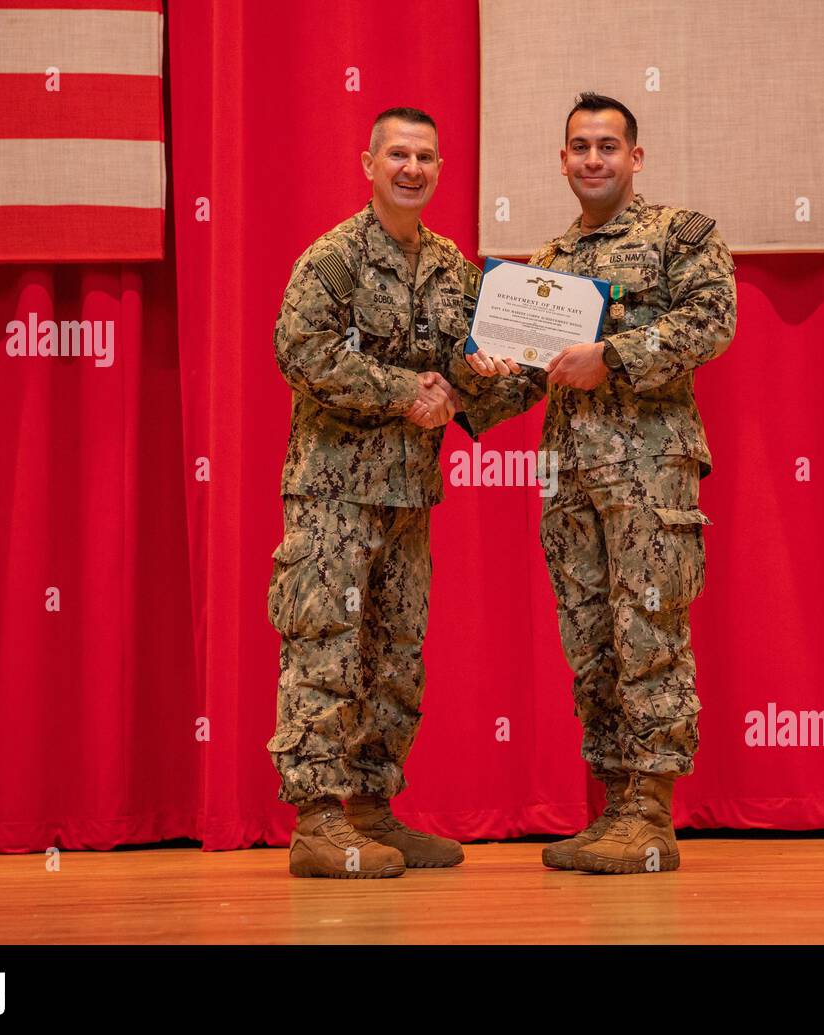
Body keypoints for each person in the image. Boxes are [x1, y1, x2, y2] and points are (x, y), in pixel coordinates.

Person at [456, 92, 738, 874]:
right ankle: (615, 806)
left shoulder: (682, 235)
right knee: (593, 644)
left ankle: (652, 815)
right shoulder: (544, 266)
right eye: (579, 146)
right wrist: (476, 376)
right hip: (571, 477)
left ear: (634, 157)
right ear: (562, 159)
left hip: (650, 471)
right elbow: (525, 377)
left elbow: (712, 320)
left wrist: (610, 356)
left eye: (607, 146)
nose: (592, 159)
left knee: (649, 637)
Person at [268, 106, 516, 878]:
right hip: (333, 493)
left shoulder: (451, 268)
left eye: (427, 158)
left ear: (440, 170)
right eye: (399, 155)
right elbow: (299, 351)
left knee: (396, 657)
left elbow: (471, 370)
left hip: (409, 496)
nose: (413, 169)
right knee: (326, 649)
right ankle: (316, 821)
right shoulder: (332, 261)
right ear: (367, 164)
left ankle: (373, 812)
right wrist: (407, 389)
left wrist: (501, 372)